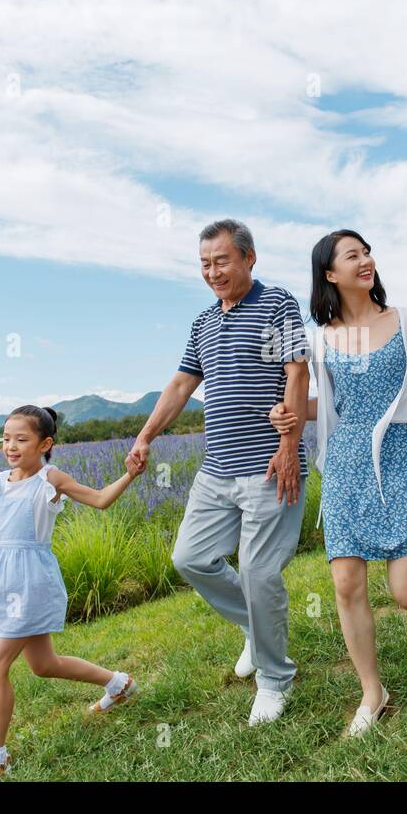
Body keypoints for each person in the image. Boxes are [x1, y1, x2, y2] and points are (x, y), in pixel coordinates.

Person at [268, 229, 407, 737]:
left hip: (398, 455)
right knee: (346, 582)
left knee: (406, 590)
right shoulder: (319, 338)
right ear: (330, 274)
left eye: (367, 251)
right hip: (346, 462)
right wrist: (291, 417)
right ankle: (373, 692)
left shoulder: (406, 320)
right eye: (353, 255)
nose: (365, 260)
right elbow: (321, 408)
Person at [127, 219, 309, 727]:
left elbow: (297, 371)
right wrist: (145, 435)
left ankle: (275, 678)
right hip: (217, 469)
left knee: (259, 572)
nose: (212, 272)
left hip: (269, 465)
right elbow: (183, 384)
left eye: (221, 260)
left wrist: (289, 446)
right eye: (204, 264)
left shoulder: (277, 305)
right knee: (190, 558)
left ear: (250, 259)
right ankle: (256, 628)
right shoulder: (203, 322)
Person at [0, 405, 143, 782]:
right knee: (43, 665)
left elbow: (98, 500)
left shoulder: (50, 478)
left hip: (32, 584)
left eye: (21, 439)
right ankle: (119, 683)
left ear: (45, 443)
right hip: (2, 581)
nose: (10, 446)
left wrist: (128, 475)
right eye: (6, 438)